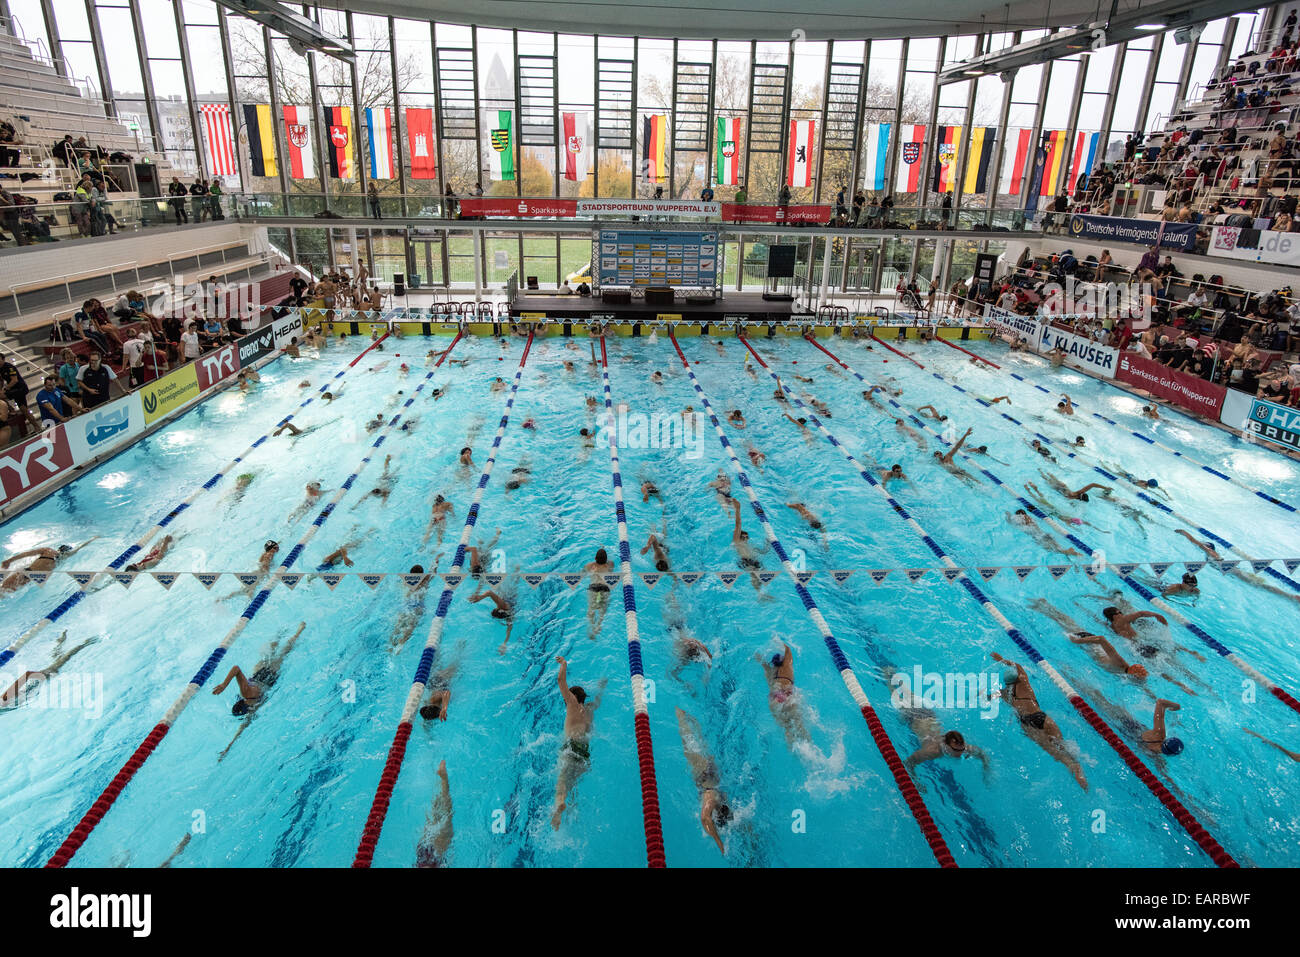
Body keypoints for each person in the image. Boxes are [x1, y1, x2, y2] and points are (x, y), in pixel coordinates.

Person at [991, 652, 1088, 790]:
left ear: (1006, 683)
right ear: (1017, 678)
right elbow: (1017, 665)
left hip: (1028, 725)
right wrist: (1001, 660)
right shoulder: (1023, 682)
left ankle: (1071, 767)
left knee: (1055, 753)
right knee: (1062, 745)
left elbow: (988, 697)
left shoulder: (1004, 694)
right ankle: (1077, 767)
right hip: (1041, 717)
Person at [210, 623, 306, 759]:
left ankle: (298, 631)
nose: (249, 713)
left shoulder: (246, 694)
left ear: (245, 706)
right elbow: (241, 729)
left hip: (264, 675)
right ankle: (281, 632)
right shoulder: (251, 708)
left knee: (283, 652)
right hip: (260, 677)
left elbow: (236, 668)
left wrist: (224, 685)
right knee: (273, 651)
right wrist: (228, 748)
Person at [551, 655, 605, 828]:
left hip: (571, 747)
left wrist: (564, 664)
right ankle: (570, 809)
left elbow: (560, 680)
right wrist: (601, 688)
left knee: (561, 783)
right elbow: (597, 701)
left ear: (573, 697)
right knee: (572, 783)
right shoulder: (589, 710)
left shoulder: (572, 704)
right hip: (585, 753)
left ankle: (559, 805)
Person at [676, 707, 732, 854]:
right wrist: (719, 842)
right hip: (704, 775)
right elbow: (705, 818)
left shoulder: (723, 802)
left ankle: (687, 715)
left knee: (699, 742)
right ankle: (680, 712)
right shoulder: (711, 797)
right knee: (686, 736)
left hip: (712, 775)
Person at [1, 631, 100, 709]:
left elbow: (27, 675)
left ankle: (84, 643)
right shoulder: (3, 707)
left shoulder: (3, 700)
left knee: (63, 660)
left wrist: (43, 676)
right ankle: (59, 643)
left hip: (38, 679)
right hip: (36, 684)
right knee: (57, 661)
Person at [757, 643, 809, 748]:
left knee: (787, 727)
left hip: (775, 699)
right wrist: (780, 642)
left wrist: (758, 655)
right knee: (799, 724)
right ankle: (809, 746)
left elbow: (762, 662)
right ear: (783, 661)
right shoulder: (787, 666)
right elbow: (788, 650)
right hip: (788, 695)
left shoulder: (769, 672)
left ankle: (793, 749)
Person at [1, 539, 96, 593]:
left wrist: (9, 560)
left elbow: (26, 554)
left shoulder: (48, 551)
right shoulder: (61, 558)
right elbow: (79, 548)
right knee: (4, 593)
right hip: (29, 578)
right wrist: (93, 539)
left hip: (25, 574)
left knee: (2, 591)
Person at [468, 582, 516, 654]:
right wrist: (480, 597)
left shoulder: (509, 617)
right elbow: (489, 592)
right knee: (512, 584)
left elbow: (509, 631)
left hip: (511, 600)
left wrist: (504, 644)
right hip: (510, 595)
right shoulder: (502, 606)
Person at [583, 547, 615, 637]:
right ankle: (598, 626)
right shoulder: (610, 564)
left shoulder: (589, 565)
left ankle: (592, 627)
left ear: (595, 558)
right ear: (606, 559)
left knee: (591, 610)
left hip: (593, 587)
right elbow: (611, 569)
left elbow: (582, 574)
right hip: (605, 588)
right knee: (602, 611)